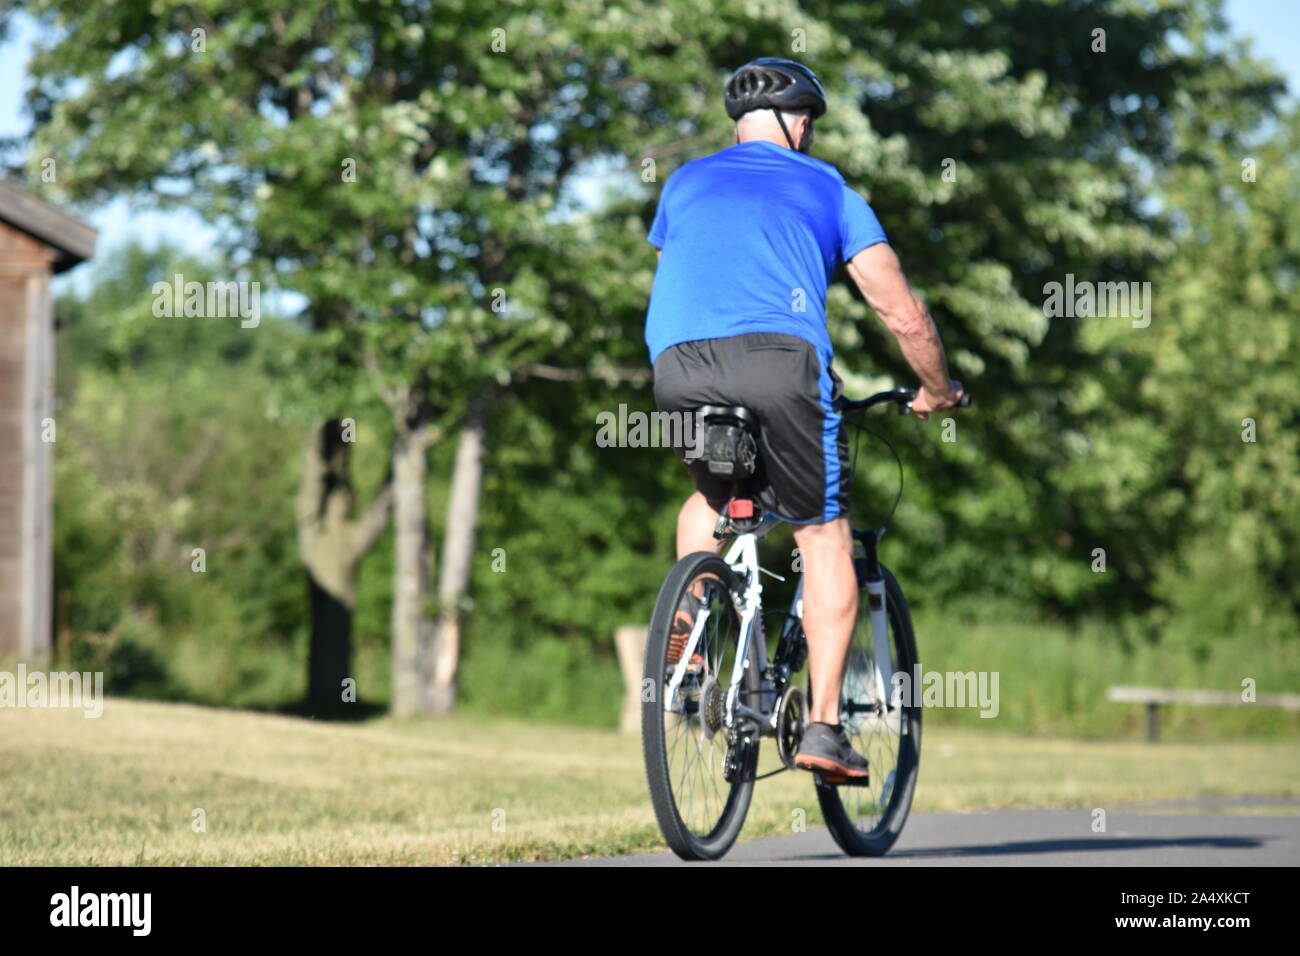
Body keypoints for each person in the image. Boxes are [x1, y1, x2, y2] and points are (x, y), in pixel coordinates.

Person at [644, 57, 964, 779]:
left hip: (677, 366)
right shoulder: (828, 185)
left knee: (714, 500)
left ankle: (689, 637)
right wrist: (936, 389)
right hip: (781, 362)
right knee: (823, 533)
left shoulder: (684, 181)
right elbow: (902, 313)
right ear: (800, 122)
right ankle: (822, 729)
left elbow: (688, 266)